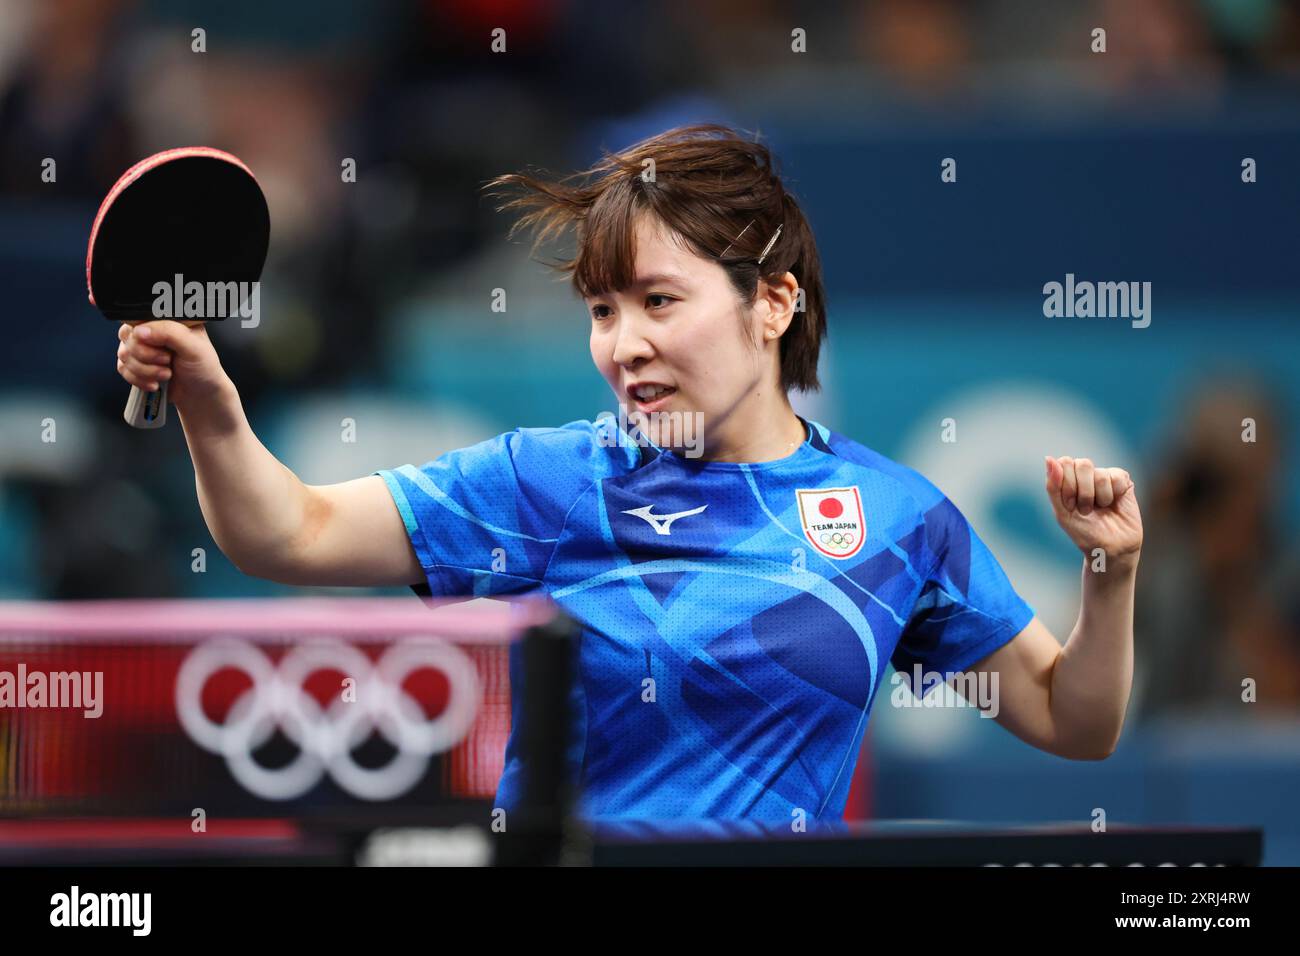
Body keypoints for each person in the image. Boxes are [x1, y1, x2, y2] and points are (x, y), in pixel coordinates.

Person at [113, 123, 1143, 823]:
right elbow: (286, 532)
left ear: (772, 302)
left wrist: (1110, 573)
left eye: (658, 300)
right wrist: (210, 402)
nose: (622, 344)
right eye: (602, 310)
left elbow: (1072, 718)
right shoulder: (551, 482)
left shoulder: (898, 521)